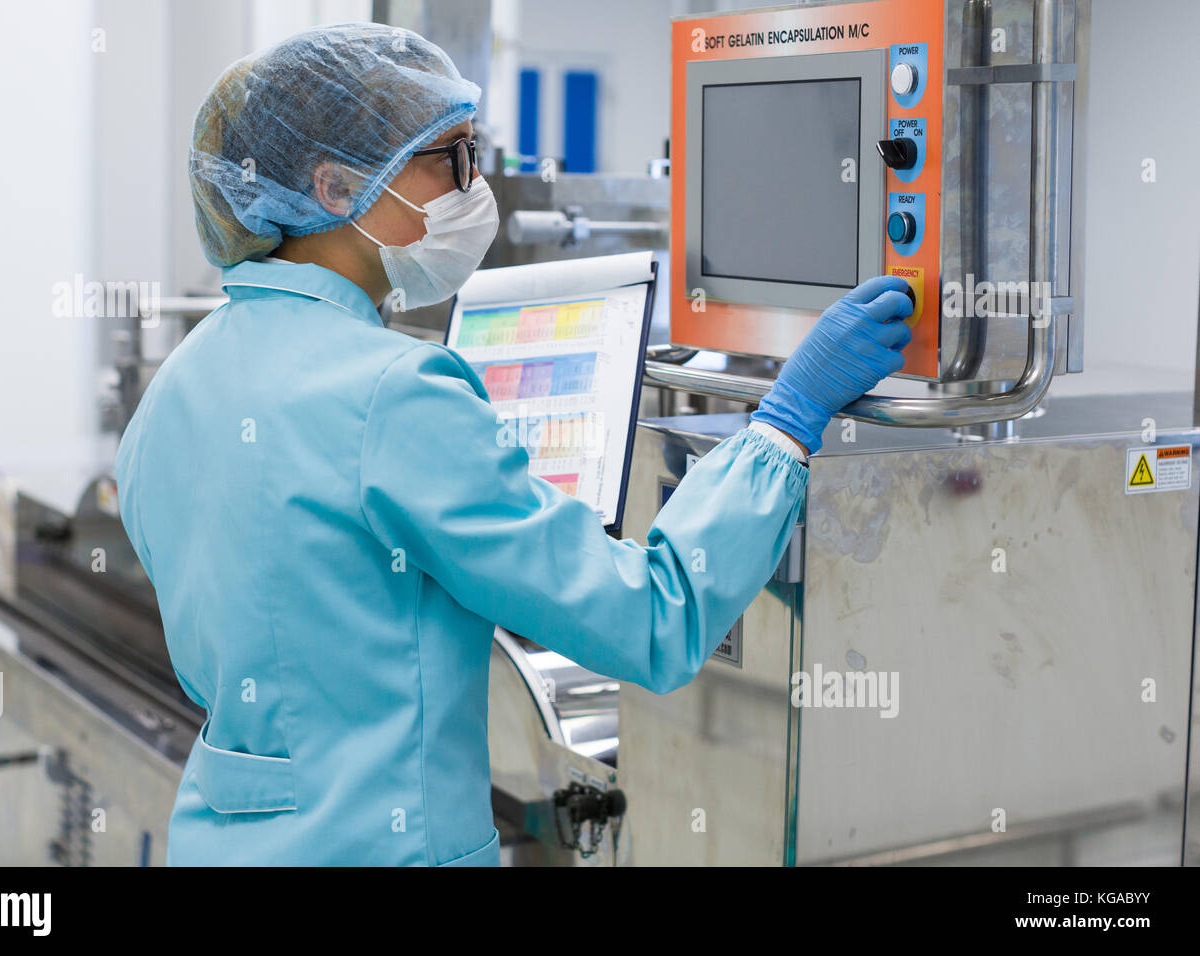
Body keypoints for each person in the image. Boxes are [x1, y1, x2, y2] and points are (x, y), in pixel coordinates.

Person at [114, 22, 913, 866]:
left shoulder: (179, 383)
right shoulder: (394, 394)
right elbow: (653, 620)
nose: (475, 185)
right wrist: (783, 425)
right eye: (451, 158)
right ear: (337, 184)